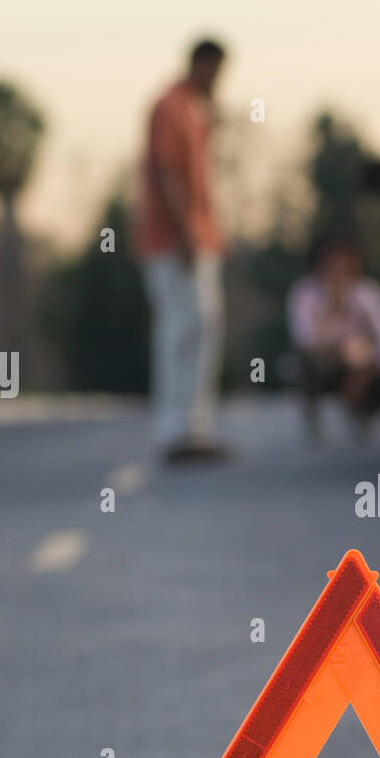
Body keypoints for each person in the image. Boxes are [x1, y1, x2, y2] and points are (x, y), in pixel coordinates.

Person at [135, 39, 229, 462]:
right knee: (181, 330)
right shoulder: (169, 107)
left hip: (197, 238)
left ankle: (196, 428)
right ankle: (176, 430)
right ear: (203, 64)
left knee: (202, 328)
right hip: (173, 241)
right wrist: (186, 233)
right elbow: (168, 171)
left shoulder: (195, 111)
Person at [286, 234, 380, 439]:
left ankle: (364, 411)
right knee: (307, 361)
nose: (338, 272)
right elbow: (303, 337)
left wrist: (369, 367)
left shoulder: (366, 292)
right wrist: (330, 311)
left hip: (365, 363)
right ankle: (314, 419)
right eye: (331, 265)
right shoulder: (305, 292)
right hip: (325, 363)